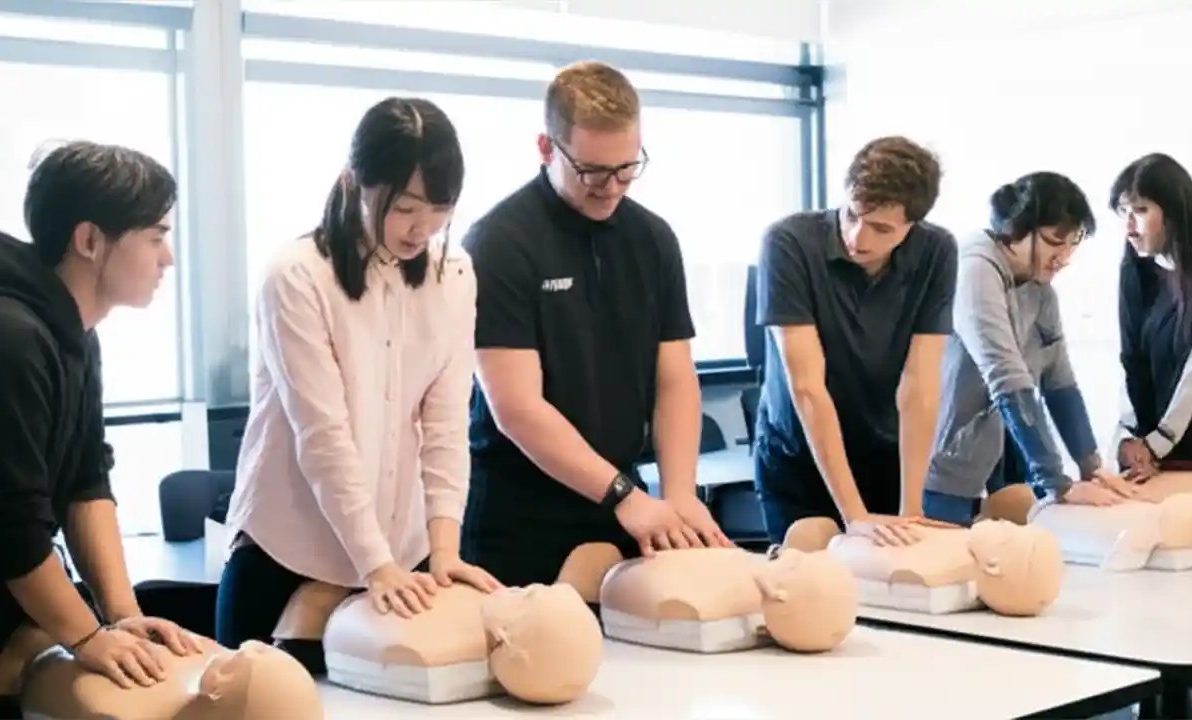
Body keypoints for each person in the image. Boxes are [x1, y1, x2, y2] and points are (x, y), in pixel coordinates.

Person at [217, 98, 499, 670]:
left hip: (404, 554)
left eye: (440, 209)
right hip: (288, 545)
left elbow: (445, 425)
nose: (423, 229)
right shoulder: (296, 277)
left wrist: (443, 549)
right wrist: (375, 565)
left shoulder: (454, 275)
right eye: (405, 208)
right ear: (354, 183)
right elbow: (323, 435)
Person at [460, 60, 731, 590]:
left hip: (623, 502)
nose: (610, 188)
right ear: (546, 148)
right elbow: (517, 408)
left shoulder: (652, 240)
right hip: (521, 514)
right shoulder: (498, 244)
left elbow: (675, 379)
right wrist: (624, 496)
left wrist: (678, 496)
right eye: (591, 171)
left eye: (626, 169)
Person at [0, 141, 200, 717]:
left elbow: (86, 483)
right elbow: (8, 525)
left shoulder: (74, 333)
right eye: (156, 237)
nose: (167, 260)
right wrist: (87, 637)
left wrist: (122, 615)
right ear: (90, 241)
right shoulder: (0, 335)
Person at [753, 136, 956, 547]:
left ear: (911, 226)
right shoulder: (788, 243)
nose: (857, 237)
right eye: (851, 215)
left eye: (881, 228)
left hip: (882, 452)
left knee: (887, 580)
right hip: (800, 456)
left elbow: (919, 387)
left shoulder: (937, 252)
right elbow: (808, 388)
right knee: (811, 585)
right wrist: (854, 516)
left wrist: (911, 510)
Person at [922, 172, 1135, 527]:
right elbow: (1006, 377)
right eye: (1055, 242)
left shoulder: (1040, 291)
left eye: (1072, 244)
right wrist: (1057, 483)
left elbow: (1060, 382)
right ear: (1019, 229)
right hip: (944, 459)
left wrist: (1091, 467)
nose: (1064, 257)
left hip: (1000, 451)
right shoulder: (975, 268)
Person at [1112, 153, 1192, 476]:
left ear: (1174, 212)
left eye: (1140, 210)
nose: (1129, 227)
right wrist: (1128, 440)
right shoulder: (1137, 267)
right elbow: (1132, 362)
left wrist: (1155, 445)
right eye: (1123, 212)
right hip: (1160, 458)